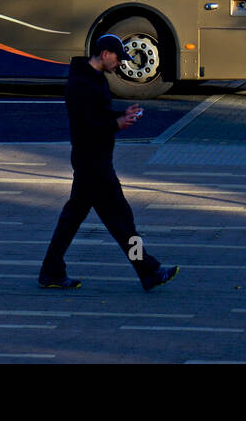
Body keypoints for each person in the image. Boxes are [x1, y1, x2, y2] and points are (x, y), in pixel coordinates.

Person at [39, 35, 178, 292]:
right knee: (120, 219)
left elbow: (98, 116)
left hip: (95, 159)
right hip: (92, 162)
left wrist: (121, 116)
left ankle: (51, 271)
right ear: (104, 54)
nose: (120, 64)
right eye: (118, 58)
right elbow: (85, 126)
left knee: (74, 218)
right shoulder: (80, 84)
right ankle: (148, 271)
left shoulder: (95, 78)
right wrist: (116, 124)